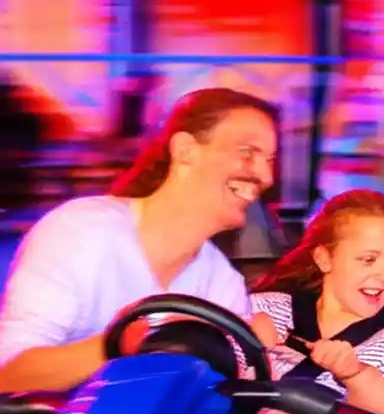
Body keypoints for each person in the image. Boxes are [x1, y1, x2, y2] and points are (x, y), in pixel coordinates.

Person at [0, 87, 279, 393]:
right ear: (186, 150)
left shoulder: (222, 283)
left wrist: (258, 357)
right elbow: (8, 373)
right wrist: (119, 346)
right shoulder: (81, 232)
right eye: (248, 152)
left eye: (269, 160)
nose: (266, 176)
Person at [250, 190, 384, 414]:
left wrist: (357, 375)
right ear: (324, 259)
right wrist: (249, 347)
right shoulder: (265, 309)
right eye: (368, 260)